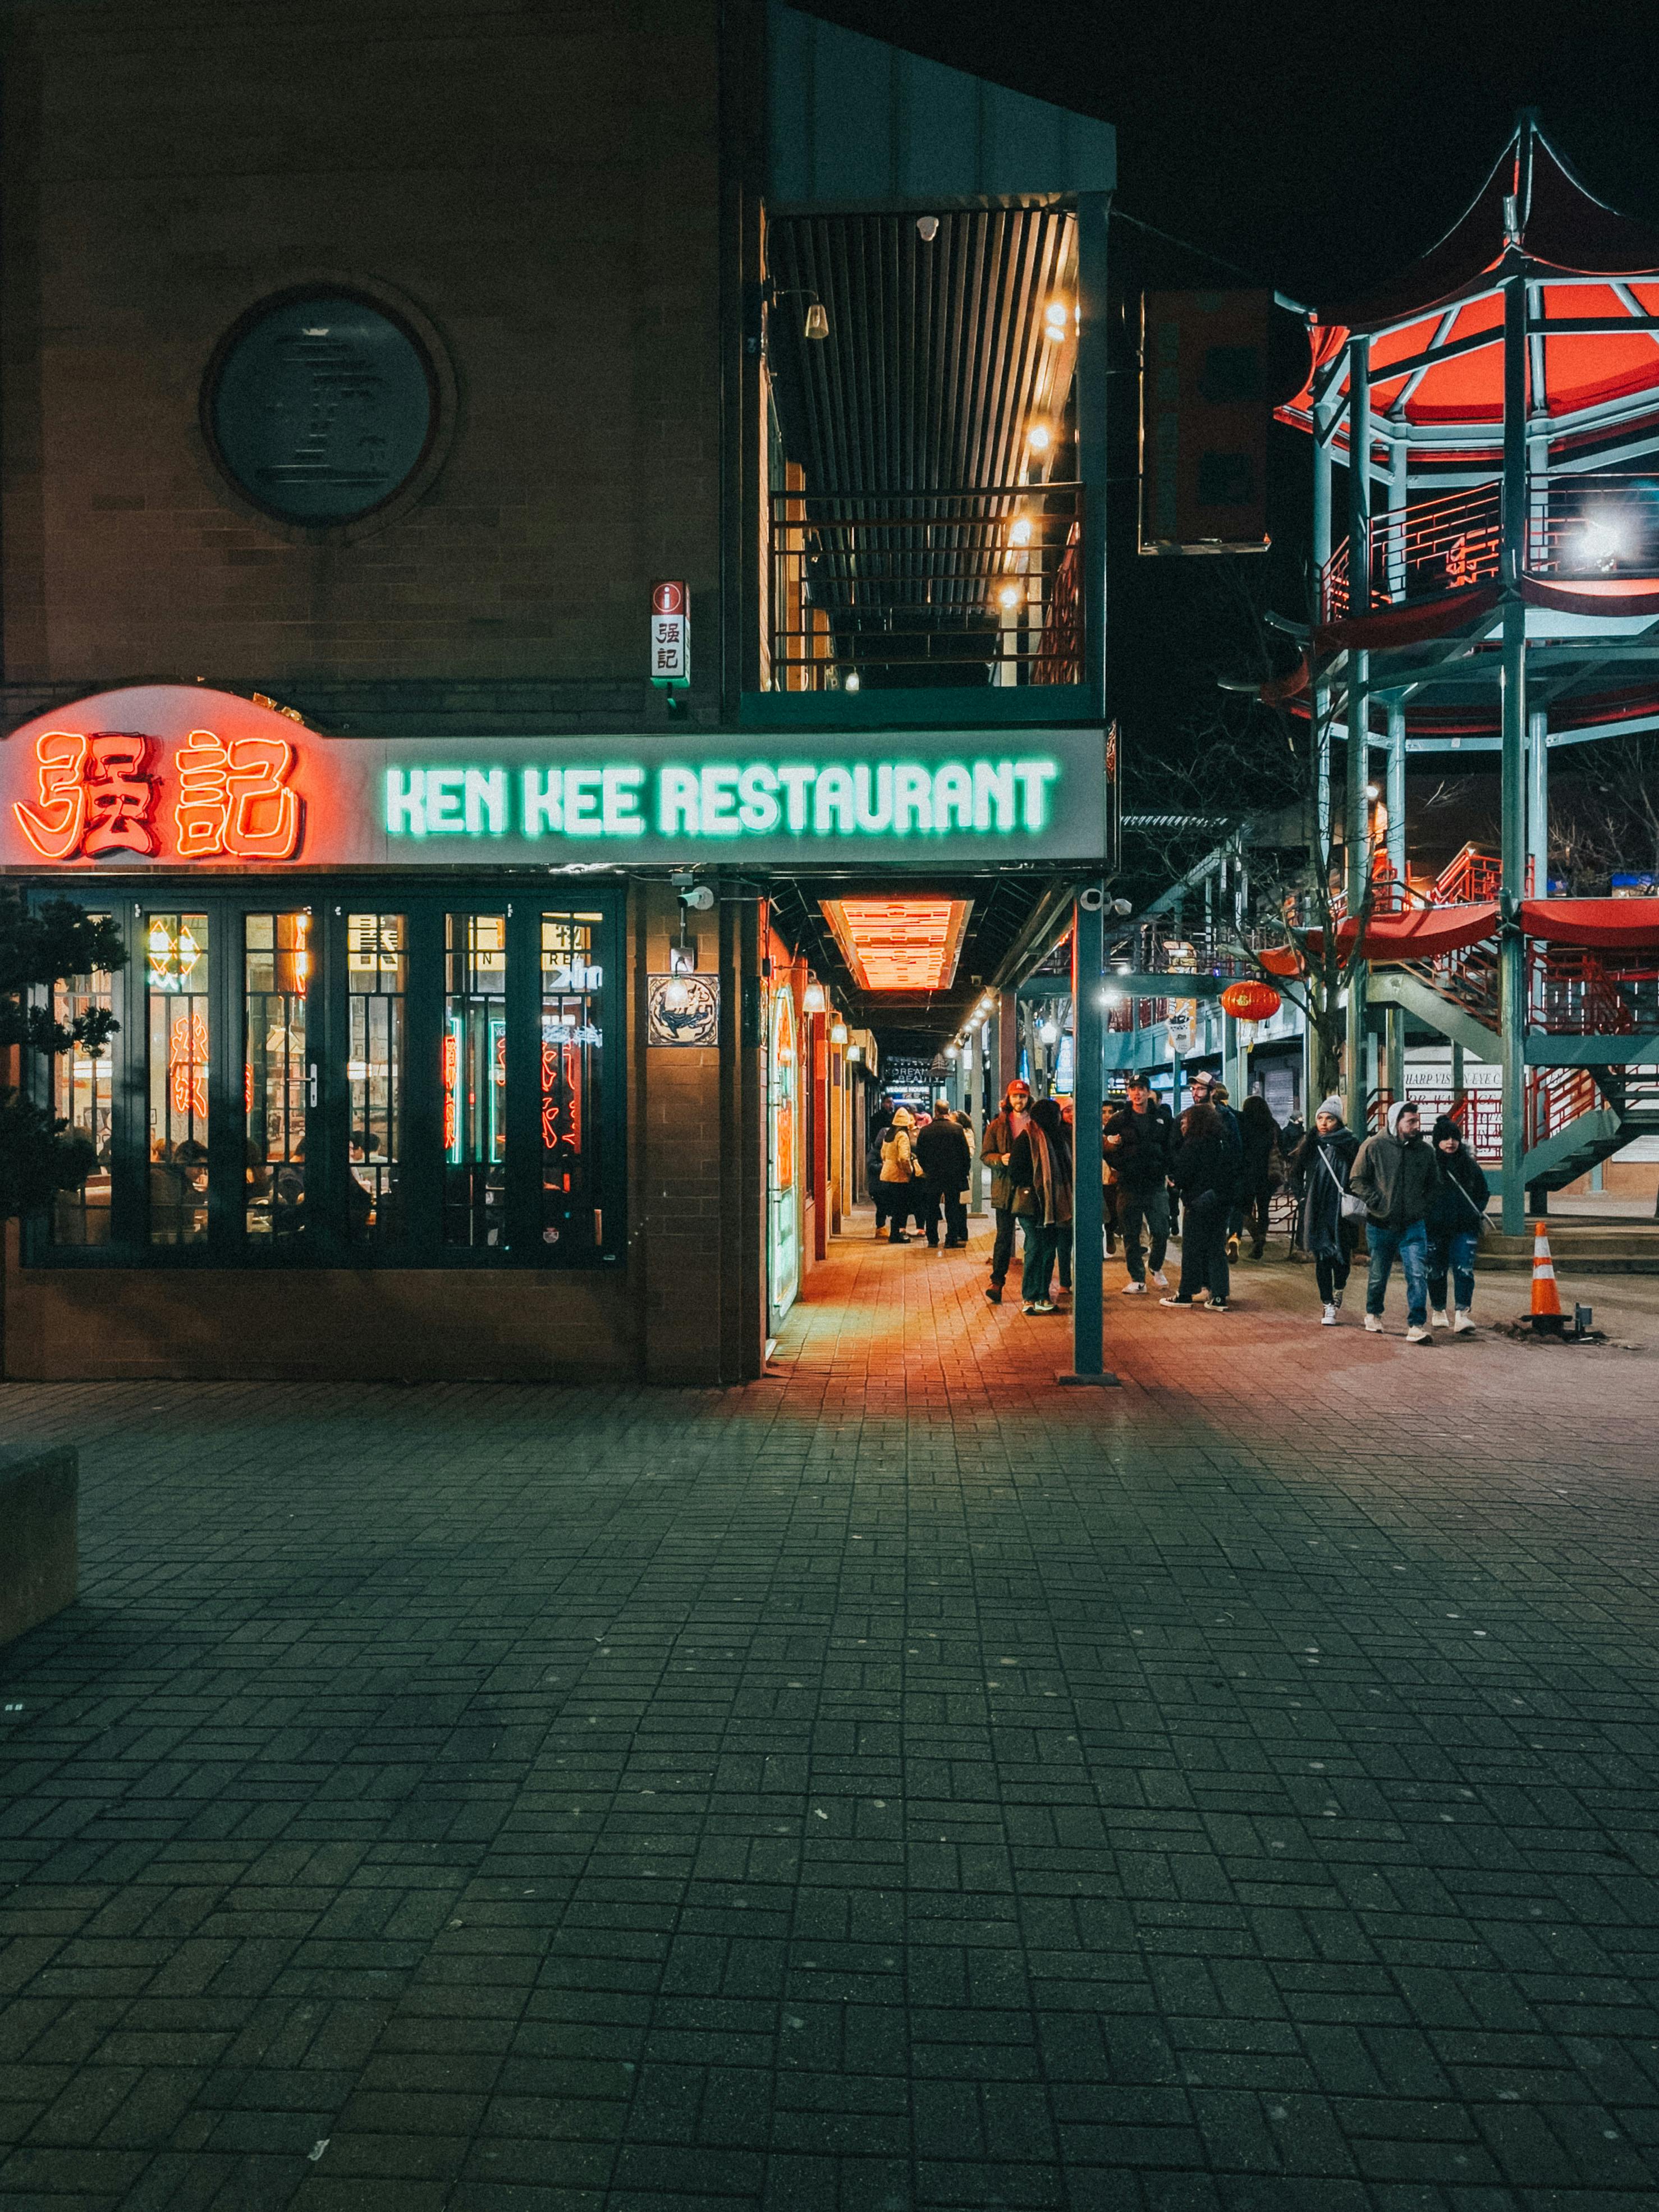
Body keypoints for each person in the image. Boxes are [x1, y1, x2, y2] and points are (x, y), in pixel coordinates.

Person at [1349, 1100, 1442, 1341]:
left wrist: (1422, 1208)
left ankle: (1417, 1325)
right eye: (1410, 1121)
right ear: (1395, 1122)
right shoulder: (1374, 1146)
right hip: (1380, 1224)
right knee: (1379, 1273)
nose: (1416, 1126)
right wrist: (1377, 1201)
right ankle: (1373, 1313)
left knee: (1417, 1274)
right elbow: (1357, 1179)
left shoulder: (1425, 1151)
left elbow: (1434, 1185)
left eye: (1417, 1121)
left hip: (1413, 1225)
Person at [1289, 1094, 1359, 1324]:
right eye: (1320, 1118)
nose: (1324, 1123)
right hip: (1317, 1209)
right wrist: (1302, 1198)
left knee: (1342, 1261)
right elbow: (1296, 1173)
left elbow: (1360, 1174)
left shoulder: (1350, 1144)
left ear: (1338, 1121)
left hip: (1342, 1211)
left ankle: (1339, 1287)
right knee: (1322, 1258)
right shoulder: (1310, 1144)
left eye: (1330, 1118)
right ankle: (1328, 1305)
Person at [1163, 1100, 1237, 1311]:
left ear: (1196, 1122)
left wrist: (1175, 1182)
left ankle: (1186, 1293)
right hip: (1220, 1201)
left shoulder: (1192, 1144)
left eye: (1185, 1121)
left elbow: (1185, 1177)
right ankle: (1219, 1296)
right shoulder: (1221, 1142)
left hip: (1198, 1202)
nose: (1183, 1125)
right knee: (1216, 1248)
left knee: (1192, 1249)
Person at [1105, 1072, 1173, 1295]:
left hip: (1155, 1184)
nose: (1137, 1093)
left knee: (1161, 1229)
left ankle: (1155, 1266)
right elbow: (1106, 1146)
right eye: (1133, 1089)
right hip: (1129, 1184)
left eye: (1142, 1088)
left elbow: (1172, 1147)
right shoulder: (1120, 1119)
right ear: (1128, 1092)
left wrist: (1167, 1168)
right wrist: (1120, 1163)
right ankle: (1137, 1279)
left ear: (1148, 1091)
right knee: (1131, 1233)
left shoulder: (1162, 1118)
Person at [1007, 1096, 1073, 1312]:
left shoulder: (1059, 1137)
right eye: (1054, 1114)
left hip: (1053, 1206)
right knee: (1035, 1247)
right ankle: (1030, 1297)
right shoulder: (1027, 1138)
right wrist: (1037, 1187)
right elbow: (1016, 1172)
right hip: (1033, 1205)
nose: (1057, 1118)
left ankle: (1043, 1296)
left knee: (1048, 1249)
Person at [1424, 1113, 1489, 1333]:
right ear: (1437, 1141)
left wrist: (1475, 1210)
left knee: (1464, 1269)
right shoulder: (1429, 1165)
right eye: (1445, 1138)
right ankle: (1439, 1310)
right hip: (1435, 1228)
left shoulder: (1470, 1166)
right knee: (1435, 1270)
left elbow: (1483, 1192)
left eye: (1454, 1137)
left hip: (1465, 1228)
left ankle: (1462, 1314)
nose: (1450, 1142)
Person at [979, 1079, 1032, 1305]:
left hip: (1030, 1186)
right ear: (1008, 1099)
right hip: (1005, 1188)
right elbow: (985, 1155)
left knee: (1034, 1237)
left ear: (1028, 1098)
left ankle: (1034, 1286)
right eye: (1015, 1096)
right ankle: (997, 1282)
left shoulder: (1035, 1122)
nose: (1019, 1100)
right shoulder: (998, 1124)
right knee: (1003, 1237)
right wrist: (1000, 1159)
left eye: (1022, 1096)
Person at [915, 1098, 972, 1248]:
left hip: (933, 1175)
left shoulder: (926, 1131)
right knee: (952, 1208)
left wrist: (927, 1169)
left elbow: (920, 1154)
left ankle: (933, 1239)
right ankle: (951, 1239)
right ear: (948, 1111)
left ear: (936, 1111)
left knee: (932, 1207)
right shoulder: (957, 1129)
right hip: (953, 1176)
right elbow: (965, 1154)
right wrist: (963, 1171)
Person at [1236, 1093, 1282, 1260]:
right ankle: (1262, 1236)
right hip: (1268, 1175)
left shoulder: (1243, 1123)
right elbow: (1283, 1146)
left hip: (1248, 1173)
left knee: (1243, 1209)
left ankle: (1257, 1237)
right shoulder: (1273, 1125)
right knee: (1264, 1209)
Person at [878, 1107, 919, 1243]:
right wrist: (909, 1171)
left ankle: (894, 1233)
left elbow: (883, 1154)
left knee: (894, 1205)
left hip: (888, 1174)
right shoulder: (902, 1135)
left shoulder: (889, 1134)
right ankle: (897, 1234)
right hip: (899, 1176)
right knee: (901, 1206)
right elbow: (904, 1157)